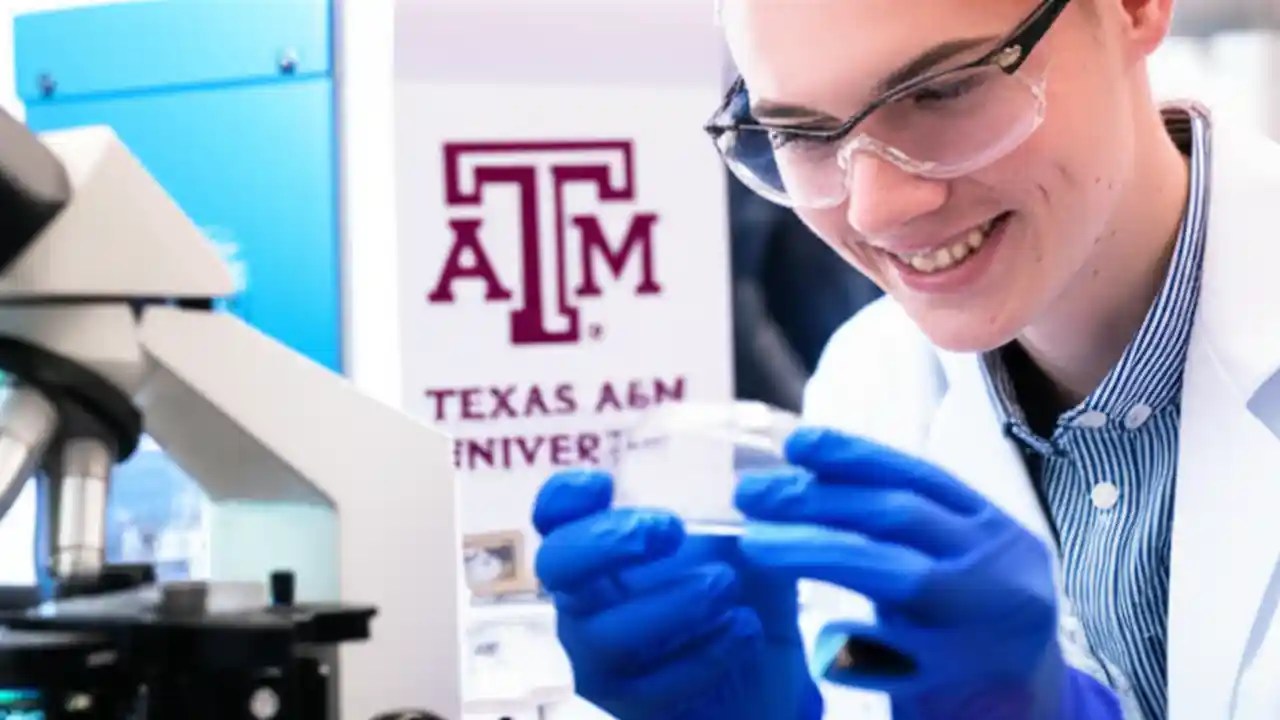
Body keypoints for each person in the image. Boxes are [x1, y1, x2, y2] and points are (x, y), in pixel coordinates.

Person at [530, 0, 1280, 717]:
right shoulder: (868, 384)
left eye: (946, 91)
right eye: (799, 133)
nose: (875, 210)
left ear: (1135, 5)